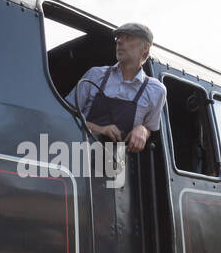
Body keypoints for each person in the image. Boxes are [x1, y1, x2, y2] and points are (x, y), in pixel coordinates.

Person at [65, 22, 167, 154]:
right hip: (75, 155)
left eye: (128, 38)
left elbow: (150, 128)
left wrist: (143, 130)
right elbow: (65, 115)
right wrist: (100, 129)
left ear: (145, 48)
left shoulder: (157, 91)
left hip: (117, 169)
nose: (119, 41)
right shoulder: (95, 75)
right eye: (118, 37)